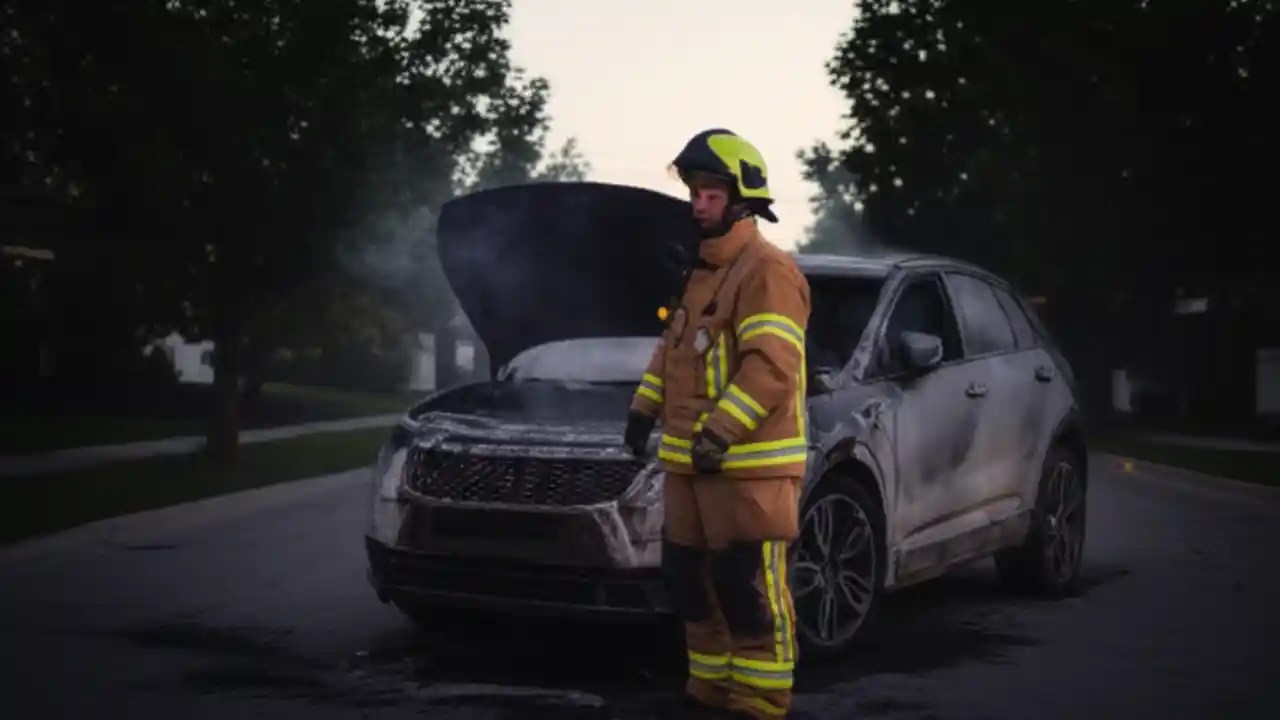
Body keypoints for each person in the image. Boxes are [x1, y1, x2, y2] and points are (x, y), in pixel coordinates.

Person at [624, 128, 812, 719]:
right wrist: (641, 411)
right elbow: (673, 354)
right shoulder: (701, 273)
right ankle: (710, 693)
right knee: (690, 582)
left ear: (742, 199)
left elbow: (772, 368)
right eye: (695, 192)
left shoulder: (768, 272)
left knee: (748, 588)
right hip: (689, 466)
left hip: (748, 470)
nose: (698, 203)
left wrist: (719, 433)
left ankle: (760, 700)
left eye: (710, 193)